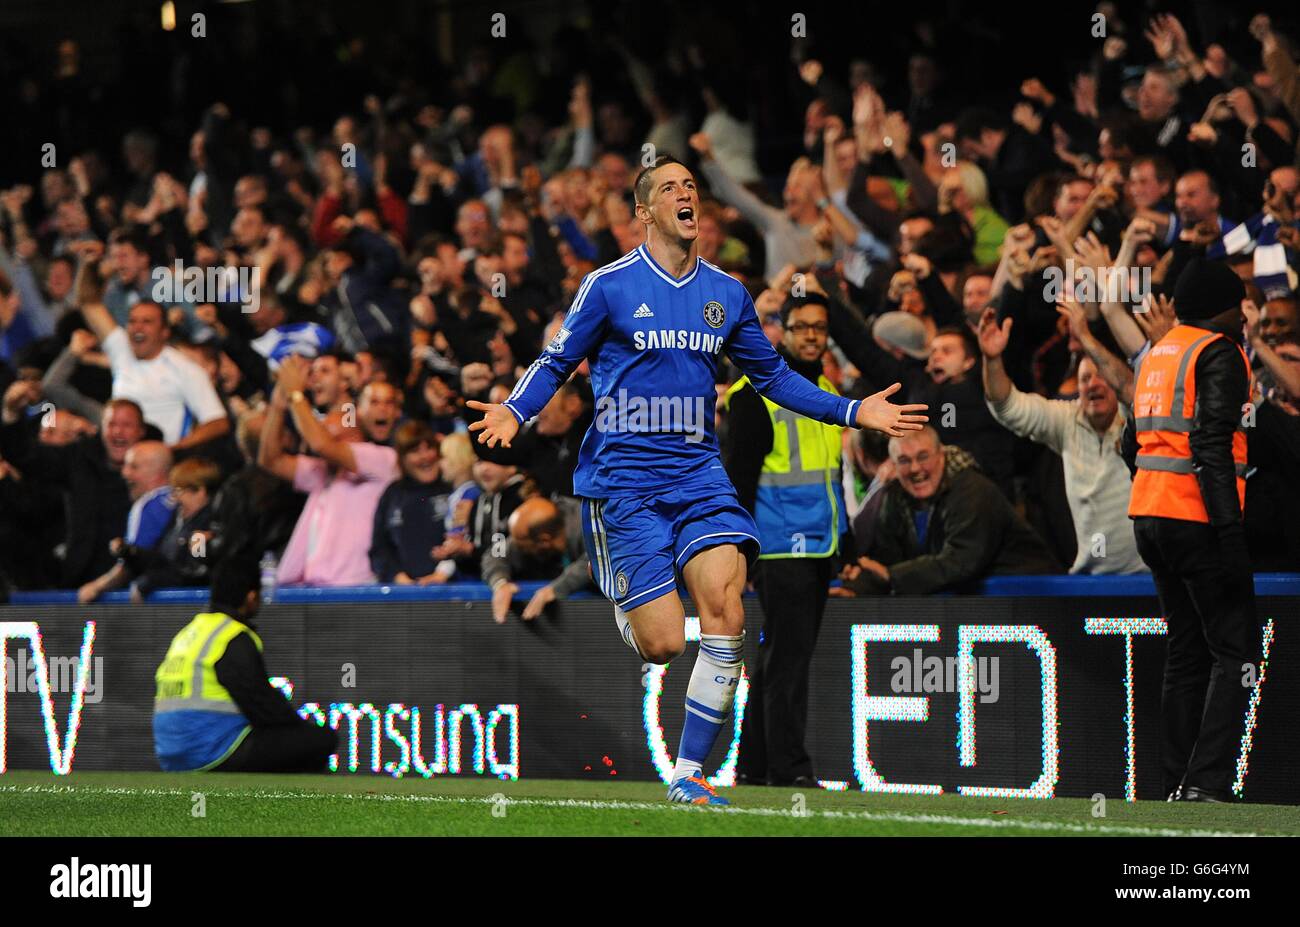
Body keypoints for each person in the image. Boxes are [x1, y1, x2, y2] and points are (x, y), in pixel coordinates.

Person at [468, 155, 926, 805]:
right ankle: (625, 590)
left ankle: (688, 773)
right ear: (644, 213)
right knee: (663, 643)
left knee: (727, 611)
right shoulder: (608, 286)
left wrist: (855, 408)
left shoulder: (728, 294)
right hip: (624, 482)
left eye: (692, 186)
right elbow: (557, 359)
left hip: (698, 474)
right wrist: (515, 409)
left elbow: (772, 376)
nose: (687, 194)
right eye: (670, 188)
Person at [1128, 259, 1261, 803]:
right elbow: (1210, 447)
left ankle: (1173, 783)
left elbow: (1127, 443)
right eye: (1239, 304)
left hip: (1148, 514)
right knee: (1238, 651)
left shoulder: (1158, 355)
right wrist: (1230, 535)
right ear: (1218, 308)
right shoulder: (1218, 352)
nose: (1246, 316)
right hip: (1194, 516)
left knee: (1186, 651)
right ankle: (1205, 783)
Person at [722, 295, 846, 786]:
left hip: (818, 545)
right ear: (782, 332)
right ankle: (789, 769)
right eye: (802, 327)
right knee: (788, 661)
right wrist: (741, 554)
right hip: (777, 548)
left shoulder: (827, 389)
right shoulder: (753, 393)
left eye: (820, 327)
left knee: (779, 659)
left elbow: (831, 477)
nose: (812, 335)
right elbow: (740, 480)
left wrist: (845, 542)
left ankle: (754, 767)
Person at [978, 307, 1145, 574]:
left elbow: (1132, 391)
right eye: (1085, 379)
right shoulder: (1067, 420)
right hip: (1090, 583)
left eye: (1101, 377)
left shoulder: (1137, 418)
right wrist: (993, 360)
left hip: (1146, 582)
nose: (1093, 384)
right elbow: (1007, 406)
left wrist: (1085, 336)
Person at [153, 558, 338, 772]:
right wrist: (298, 727)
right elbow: (262, 703)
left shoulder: (189, 633)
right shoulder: (231, 636)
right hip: (213, 751)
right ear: (251, 597)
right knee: (321, 739)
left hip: (170, 755)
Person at [843, 426, 1059, 595]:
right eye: (904, 460)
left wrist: (891, 575)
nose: (915, 469)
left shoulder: (972, 490)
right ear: (893, 466)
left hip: (1031, 602)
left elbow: (961, 561)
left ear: (941, 455)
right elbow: (884, 560)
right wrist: (858, 584)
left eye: (923, 456)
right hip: (970, 613)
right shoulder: (894, 496)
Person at [258, 356, 400, 586]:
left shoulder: (383, 459)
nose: (328, 424)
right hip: (313, 587)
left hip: (357, 586)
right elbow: (270, 460)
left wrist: (296, 394)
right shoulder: (326, 471)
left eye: (340, 417)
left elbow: (321, 444)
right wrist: (277, 404)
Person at [369, 420, 452, 584]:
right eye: (415, 451)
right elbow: (380, 548)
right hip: (403, 595)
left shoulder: (452, 489)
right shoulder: (392, 494)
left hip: (453, 590)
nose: (425, 456)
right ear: (402, 458)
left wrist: (444, 573)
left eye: (429, 448)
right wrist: (397, 576)